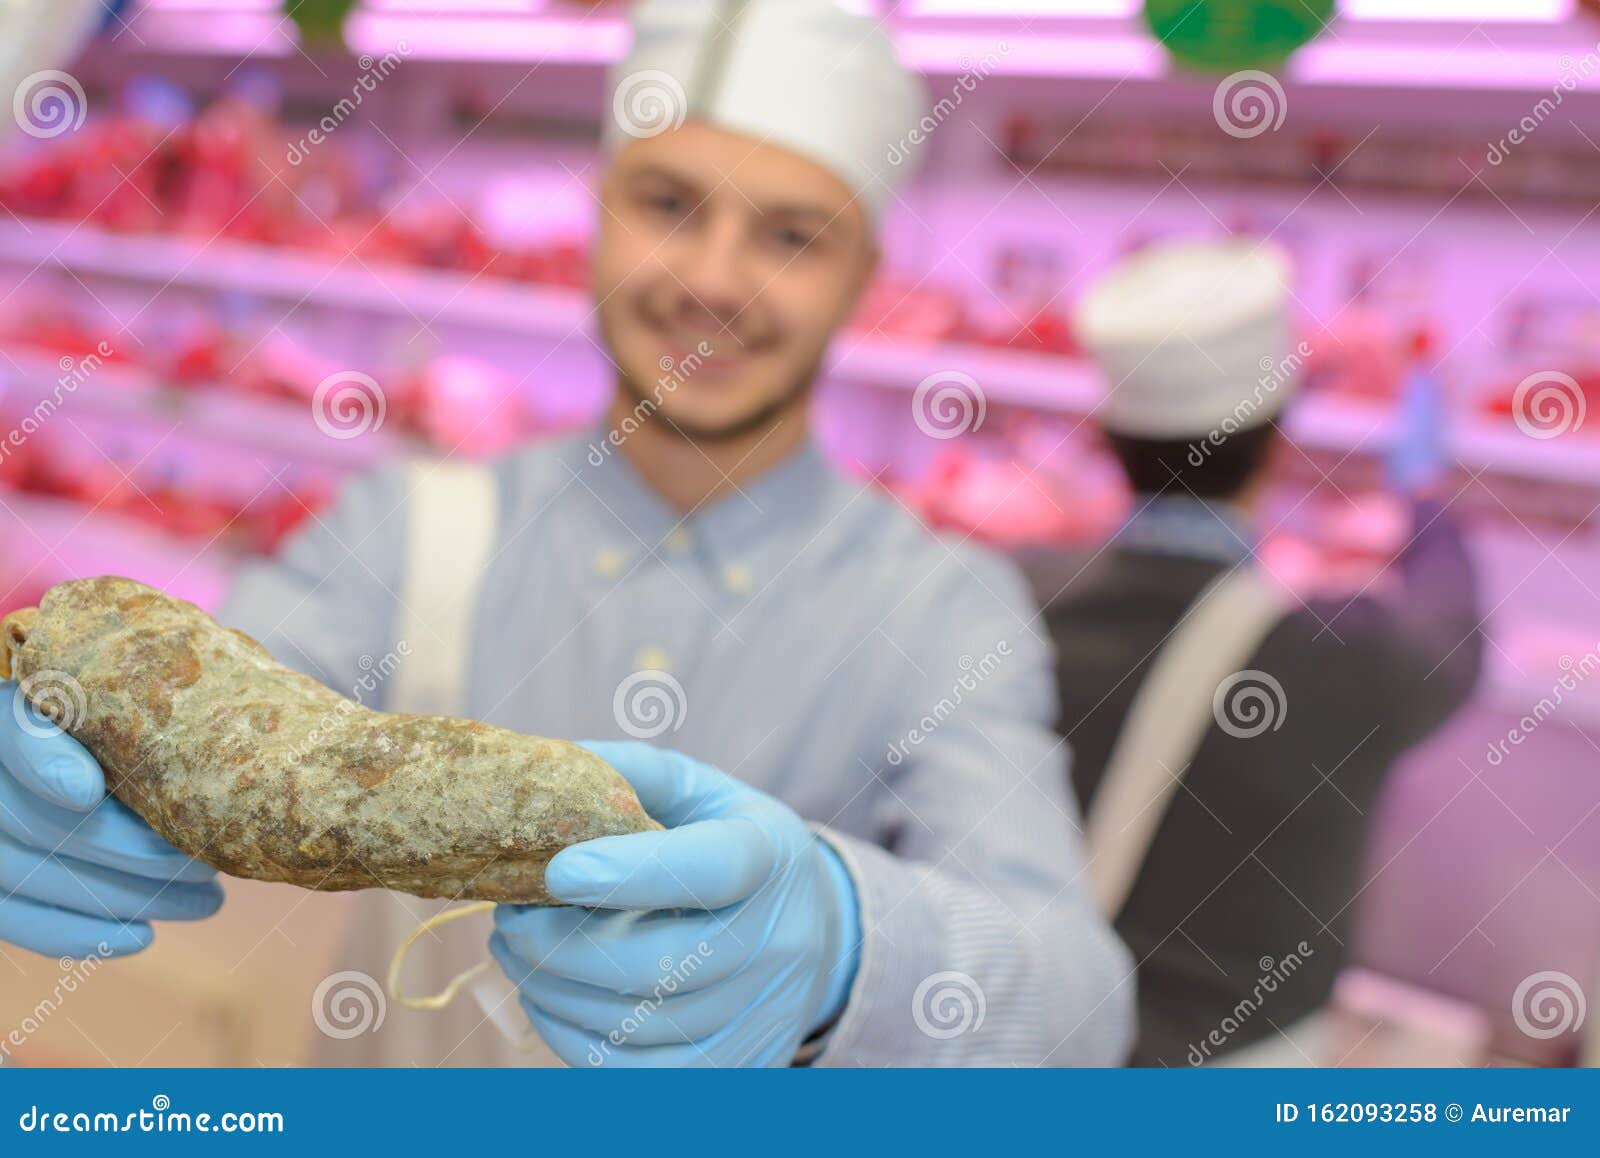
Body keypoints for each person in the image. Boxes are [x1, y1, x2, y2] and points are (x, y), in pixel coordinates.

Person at [0, 0, 1133, 1068]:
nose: (713, 278)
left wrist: (843, 946)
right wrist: (59, 774)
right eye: (669, 204)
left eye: (791, 235)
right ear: (598, 210)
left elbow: (1081, 1003)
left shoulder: (939, 606)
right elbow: (218, 712)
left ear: (861, 279)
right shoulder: (410, 525)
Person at [1022, 238, 1483, 1067]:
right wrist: (1424, 496)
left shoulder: (1015, 607)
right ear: (1278, 445)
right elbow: (1454, 638)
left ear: (1103, 437)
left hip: (1038, 1040)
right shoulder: (1345, 658)